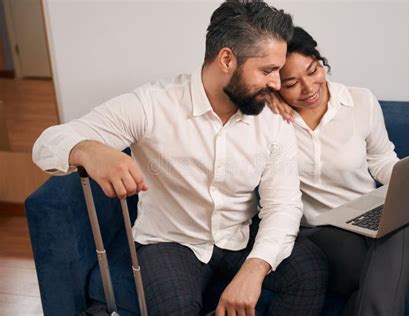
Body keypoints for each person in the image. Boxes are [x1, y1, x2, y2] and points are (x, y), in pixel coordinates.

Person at [32, 2, 329, 315]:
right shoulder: (152, 105)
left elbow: (283, 205)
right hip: (170, 241)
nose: (276, 85)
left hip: (238, 233)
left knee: (310, 269)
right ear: (227, 59)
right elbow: (47, 143)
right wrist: (89, 150)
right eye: (267, 71)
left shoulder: (272, 117)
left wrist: (254, 270)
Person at [267, 26, 409, 316]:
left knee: (400, 230)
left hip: (368, 216)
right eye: (291, 83)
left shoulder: (360, 101)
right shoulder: (270, 117)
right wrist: (261, 99)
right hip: (318, 228)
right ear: (275, 84)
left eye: (313, 71)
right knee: (379, 272)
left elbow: (381, 158)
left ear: (320, 61)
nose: (309, 87)